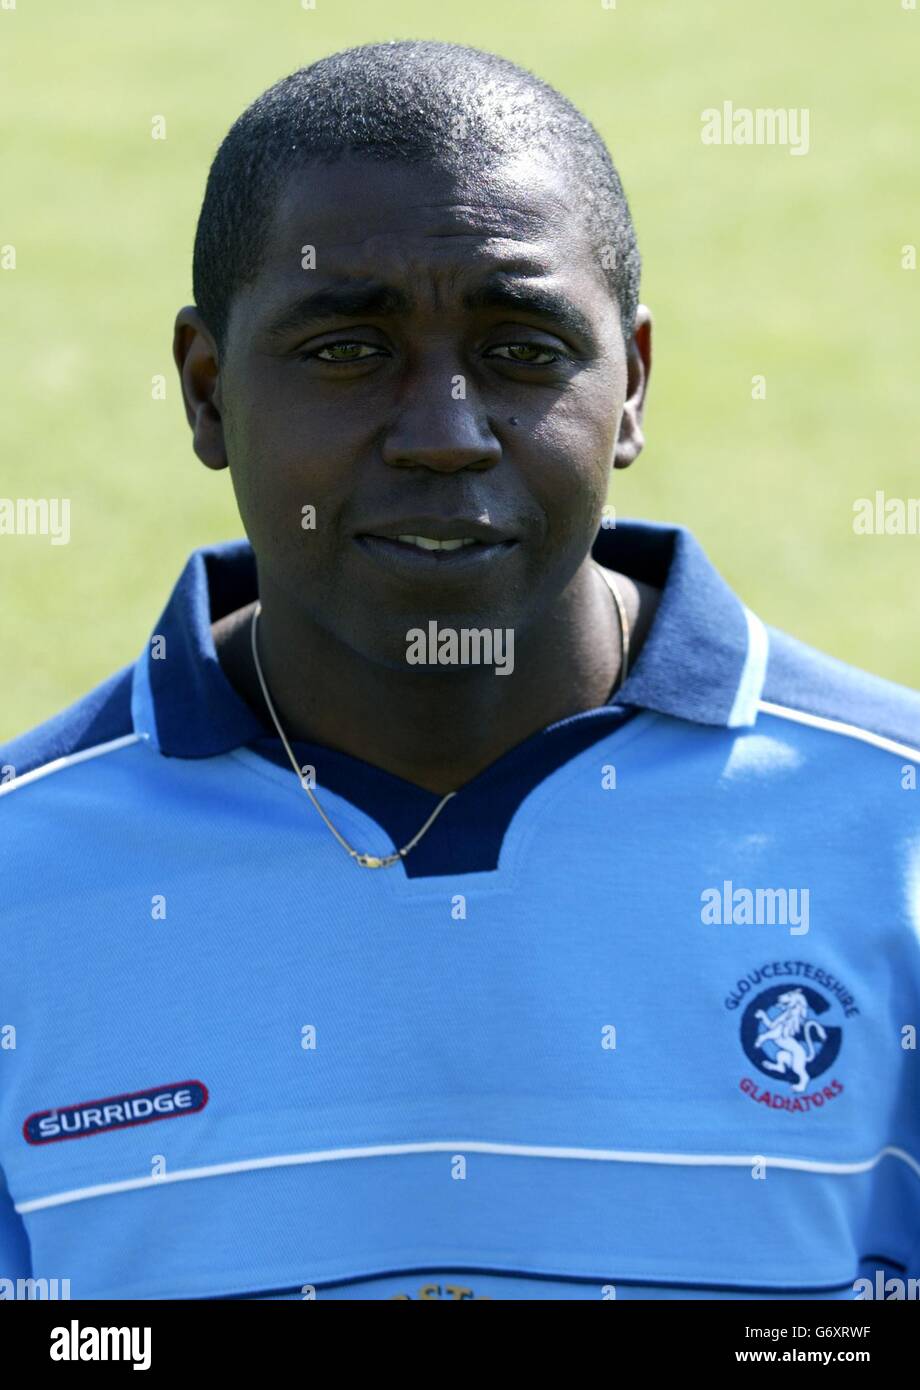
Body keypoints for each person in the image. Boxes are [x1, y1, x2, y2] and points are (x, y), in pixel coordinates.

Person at [1, 41, 918, 1302]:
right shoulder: (22, 881)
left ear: (633, 386)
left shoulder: (894, 837)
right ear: (207, 391)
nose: (442, 433)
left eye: (521, 349)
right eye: (344, 350)